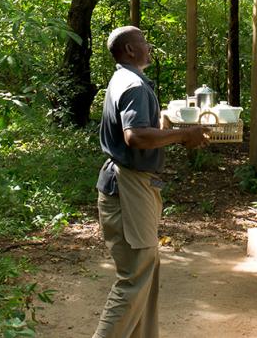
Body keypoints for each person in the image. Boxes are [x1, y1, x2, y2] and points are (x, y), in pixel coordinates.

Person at [92, 26, 207, 338]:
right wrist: (184, 134)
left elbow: (140, 129)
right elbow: (136, 136)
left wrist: (166, 125)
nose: (149, 45)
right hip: (129, 187)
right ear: (130, 50)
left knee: (145, 273)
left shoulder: (123, 79)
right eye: (143, 40)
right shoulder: (135, 86)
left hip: (128, 184)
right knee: (134, 278)